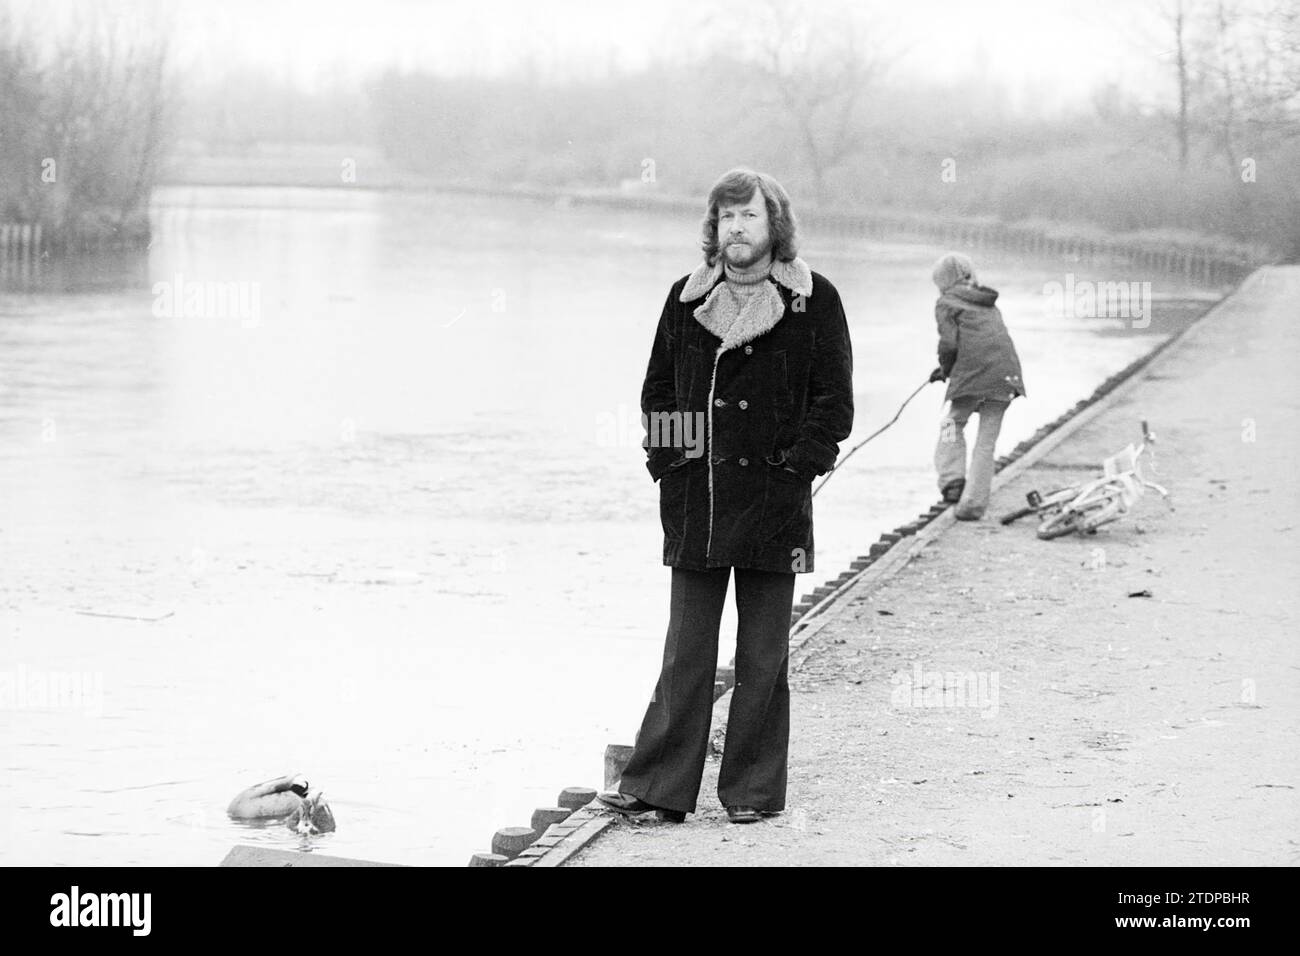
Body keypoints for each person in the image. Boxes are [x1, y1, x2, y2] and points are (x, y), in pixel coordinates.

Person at [598, 168, 854, 825]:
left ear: (776, 225)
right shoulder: (684, 299)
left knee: (764, 656)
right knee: (687, 649)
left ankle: (752, 793)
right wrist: (674, 464)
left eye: (749, 216)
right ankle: (658, 789)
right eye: (726, 217)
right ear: (715, 228)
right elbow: (659, 391)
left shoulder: (813, 299)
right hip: (698, 502)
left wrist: (798, 467)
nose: (736, 227)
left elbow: (834, 402)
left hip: (778, 504)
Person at [928, 253, 1026, 520]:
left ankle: (952, 481)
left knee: (951, 425)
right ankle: (972, 505)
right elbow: (985, 342)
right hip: (1006, 376)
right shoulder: (987, 302)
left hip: (974, 377)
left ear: (943, 280)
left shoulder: (946, 302)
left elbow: (949, 344)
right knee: (986, 443)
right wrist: (946, 369)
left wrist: (945, 369)